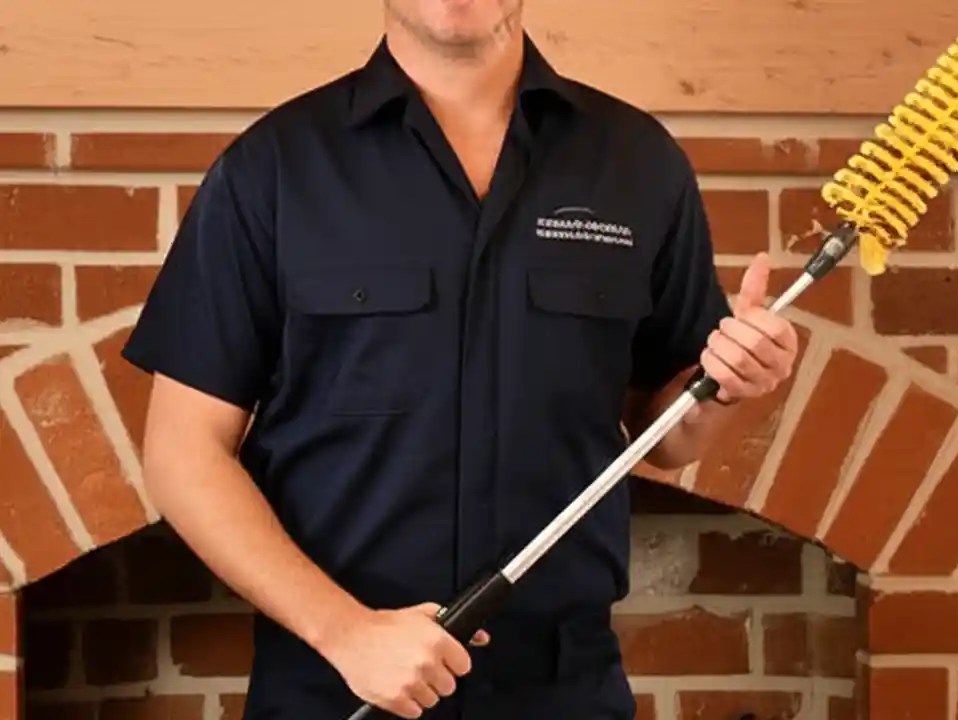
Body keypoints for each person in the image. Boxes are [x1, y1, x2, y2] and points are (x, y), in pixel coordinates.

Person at [122, 0, 799, 717]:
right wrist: (347, 634)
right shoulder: (275, 168)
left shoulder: (636, 161)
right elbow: (182, 452)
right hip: (339, 682)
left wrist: (725, 386)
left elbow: (667, 438)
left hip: (563, 688)